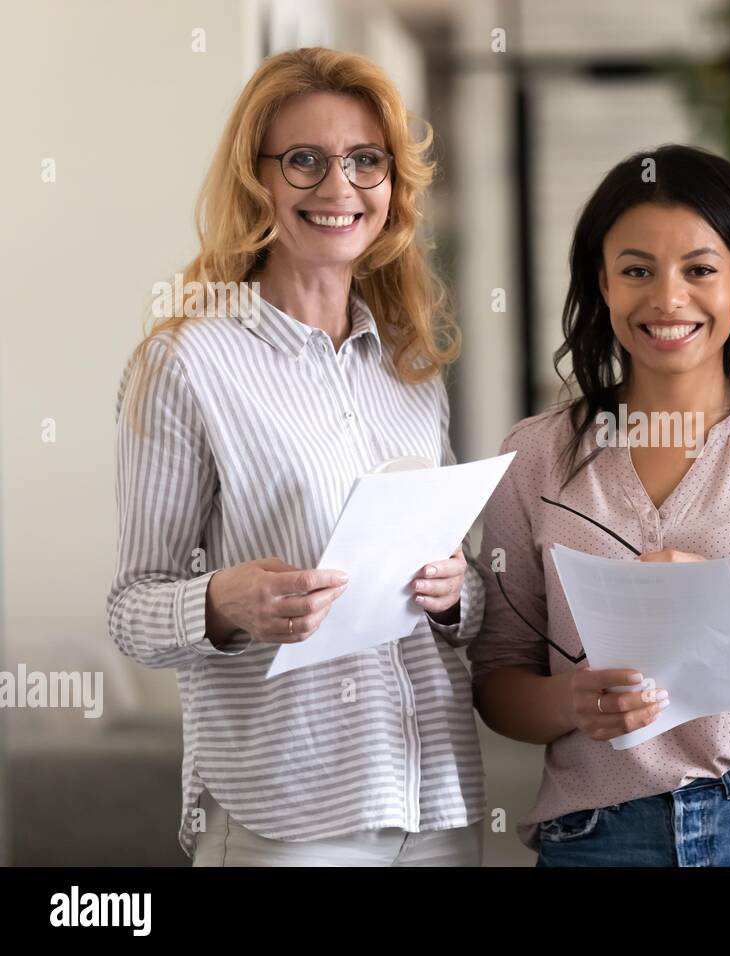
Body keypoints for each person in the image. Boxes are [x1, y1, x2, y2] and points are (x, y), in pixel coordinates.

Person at [107, 47, 485, 866]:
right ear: (257, 181)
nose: (339, 187)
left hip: (437, 807)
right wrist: (222, 601)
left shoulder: (410, 368)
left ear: (392, 182)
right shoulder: (187, 363)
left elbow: (470, 600)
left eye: (364, 161)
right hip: (290, 818)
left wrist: (459, 593)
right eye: (305, 160)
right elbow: (131, 609)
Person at [470, 144, 730, 867]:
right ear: (602, 283)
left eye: (699, 270)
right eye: (637, 270)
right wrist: (572, 702)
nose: (668, 299)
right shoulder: (535, 455)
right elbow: (498, 679)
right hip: (597, 838)